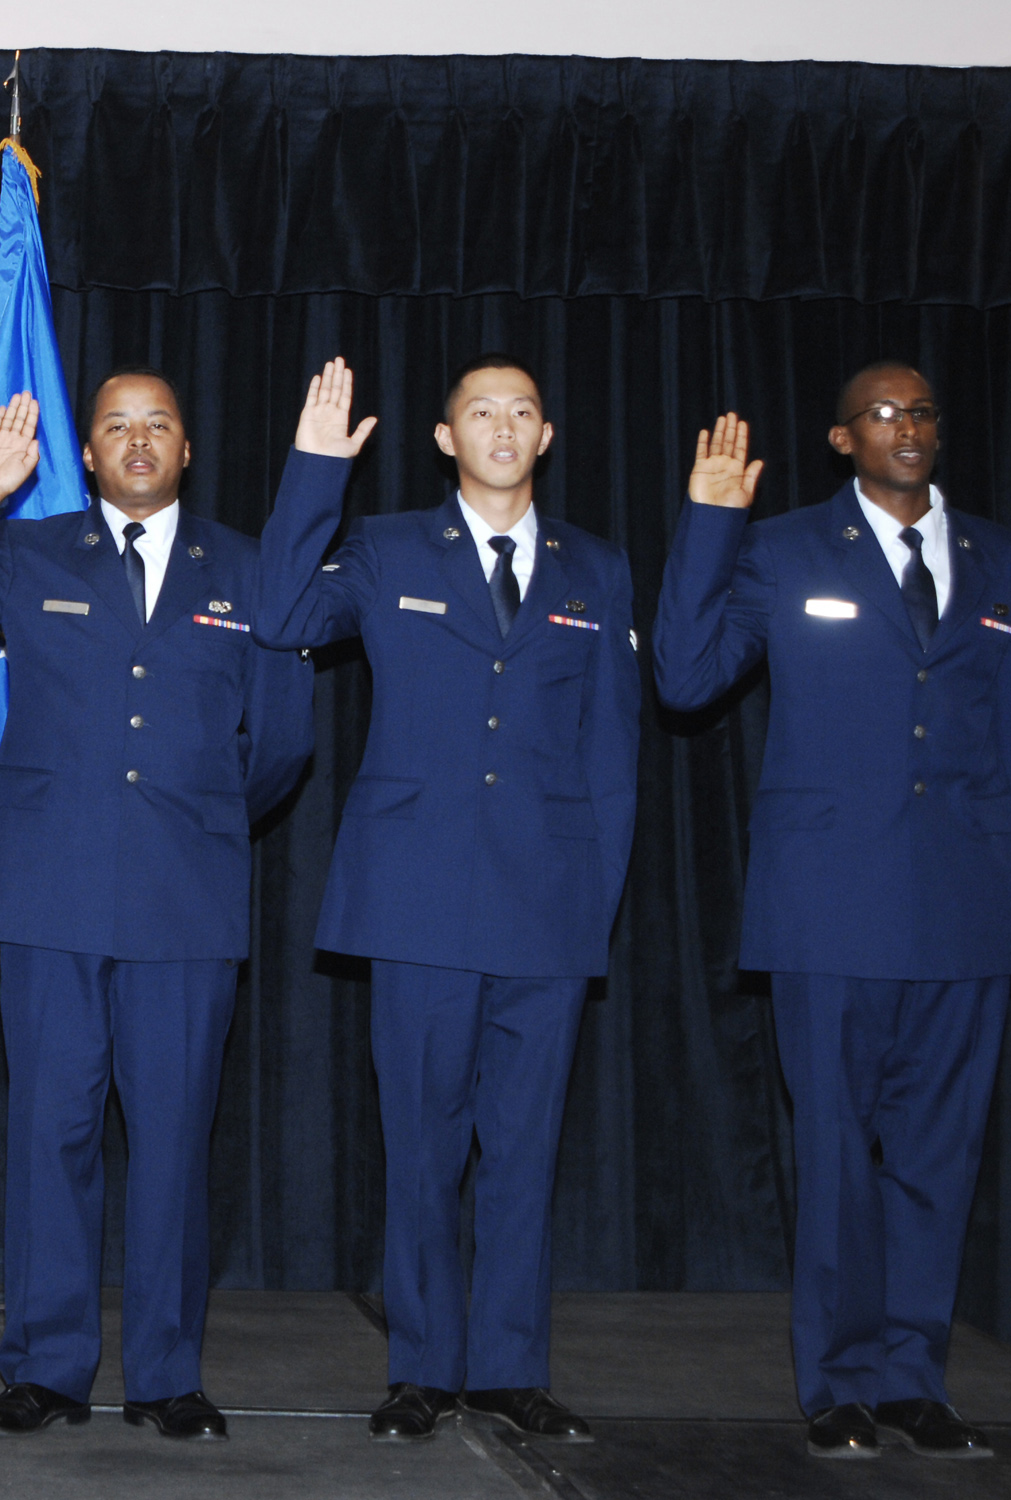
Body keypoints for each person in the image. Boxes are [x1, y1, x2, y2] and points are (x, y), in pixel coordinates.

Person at [0, 370, 312, 1441]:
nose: (135, 440)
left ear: (187, 448)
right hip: (48, 900)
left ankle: (167, 1375)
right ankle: (48, 1370)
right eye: (116, 424)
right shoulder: (30, 553)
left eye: (157, 424)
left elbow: (285, 739)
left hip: (185, 898)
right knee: (53, 1134)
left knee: (172, 1143)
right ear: (87, 451)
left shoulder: (250, 567)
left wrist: (200, 812)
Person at [652, 364, 1011, 1461]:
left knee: (939, 1157)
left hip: (966, 908)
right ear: (841, 438)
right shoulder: (781, 550)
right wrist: (710, 524)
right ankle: (836, 1386)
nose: (906, 427)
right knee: (834, 1156)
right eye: (883, 413)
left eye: (922, 410)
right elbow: (683, 678)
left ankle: (915, 1380)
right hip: (829, 908)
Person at [257, 356, 639, 1445]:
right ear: (443, 437)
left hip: (547, 905)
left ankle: (512, 1368)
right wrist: (315, 471)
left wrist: (592, 906)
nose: (503, 427)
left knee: (525, 1147)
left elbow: (614, 756)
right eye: (482, 411)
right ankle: (421, 1367)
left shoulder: (595, 570)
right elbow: (281, 614)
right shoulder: (384, 549)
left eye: (522, 410)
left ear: (547, 433)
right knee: (423, 1142)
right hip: (417, 896)